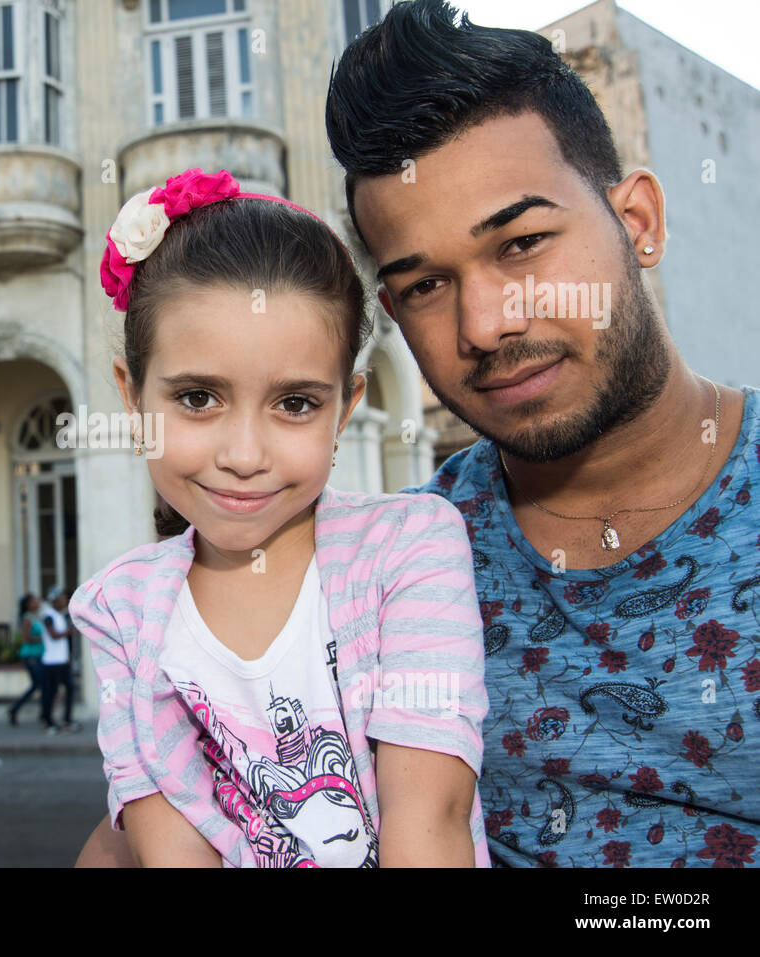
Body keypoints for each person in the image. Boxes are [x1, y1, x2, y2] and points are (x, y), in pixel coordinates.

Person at [320, 0, 759, 866]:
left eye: (522, 243)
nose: (483, 323)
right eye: (424, 286)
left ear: (638, 223)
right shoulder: (392, 568)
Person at [66, 167, 490, 867]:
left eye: (295, 403)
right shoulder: (120, 608)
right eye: (199, 397)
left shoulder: (411, 549)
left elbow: (431, 821)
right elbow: (166, 841)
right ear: (133, 398)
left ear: (345, 408)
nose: (244, 454)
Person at [38, 587, 80, 734]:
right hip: (51, 662)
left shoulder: (59, 615)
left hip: (61, 662)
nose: (65, 600)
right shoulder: (48, 616)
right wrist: (70, 632)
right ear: (55, 600)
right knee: (51, 692)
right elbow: (54, 635)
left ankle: (66, 720)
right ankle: (48, 722)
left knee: (69, 689)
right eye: (62, 598)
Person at [7, 593, 45, 726]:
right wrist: (44, 639)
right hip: (31, 656)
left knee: (38, 685)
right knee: (39, 684)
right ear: (28, 605)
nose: (38, 602)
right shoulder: (27, 618)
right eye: (35, 601)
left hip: (39, 655)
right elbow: (26, 638)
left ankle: (16, 710)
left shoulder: (36, 617)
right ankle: (15, 709)